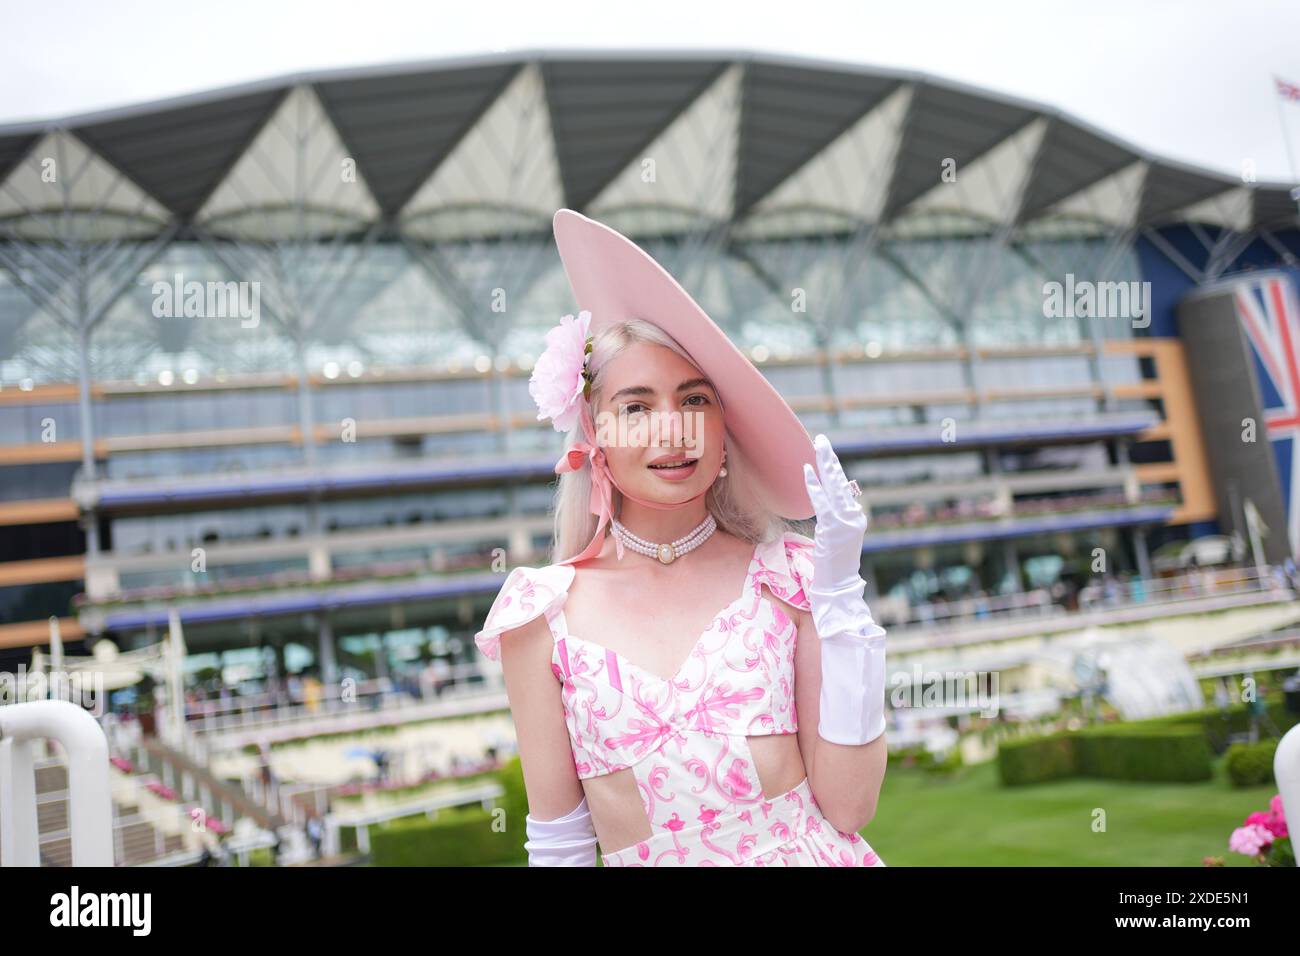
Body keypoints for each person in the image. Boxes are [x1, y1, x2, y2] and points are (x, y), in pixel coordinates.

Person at [474, 209, 889, 867]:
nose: (673, 430)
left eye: (695, 400)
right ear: (595, 436)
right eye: (636, 407)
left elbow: (850, 807)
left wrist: (842, 602)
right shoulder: (540, 616)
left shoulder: (793, 580)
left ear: (725, 431)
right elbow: (560, 842)